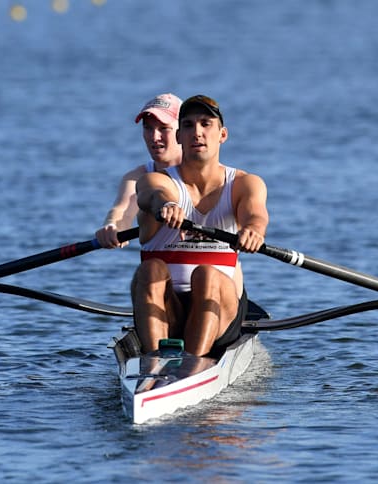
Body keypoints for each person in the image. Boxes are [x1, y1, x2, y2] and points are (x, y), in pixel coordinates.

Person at [132, 94, 269, 357]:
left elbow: (256, 215)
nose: (197, 132)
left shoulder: (244, 183)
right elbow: (152, 195)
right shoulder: (157, 181)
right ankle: (154, 364)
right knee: (151, 269)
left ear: (223, 135)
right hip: (166, 307)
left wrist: (253, 231)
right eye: (188, 125)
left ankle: (192, 364)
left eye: (206, 124)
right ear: (179, 137)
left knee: (205, 275)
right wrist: (166, 207)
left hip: (221, 310)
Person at [94, 93, 183, 249]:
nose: (154, 137)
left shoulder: (208, 174)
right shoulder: (136, 177)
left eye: (164, 128)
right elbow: (123, 211)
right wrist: (112, 226)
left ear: (182, 132)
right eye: (148, 128)